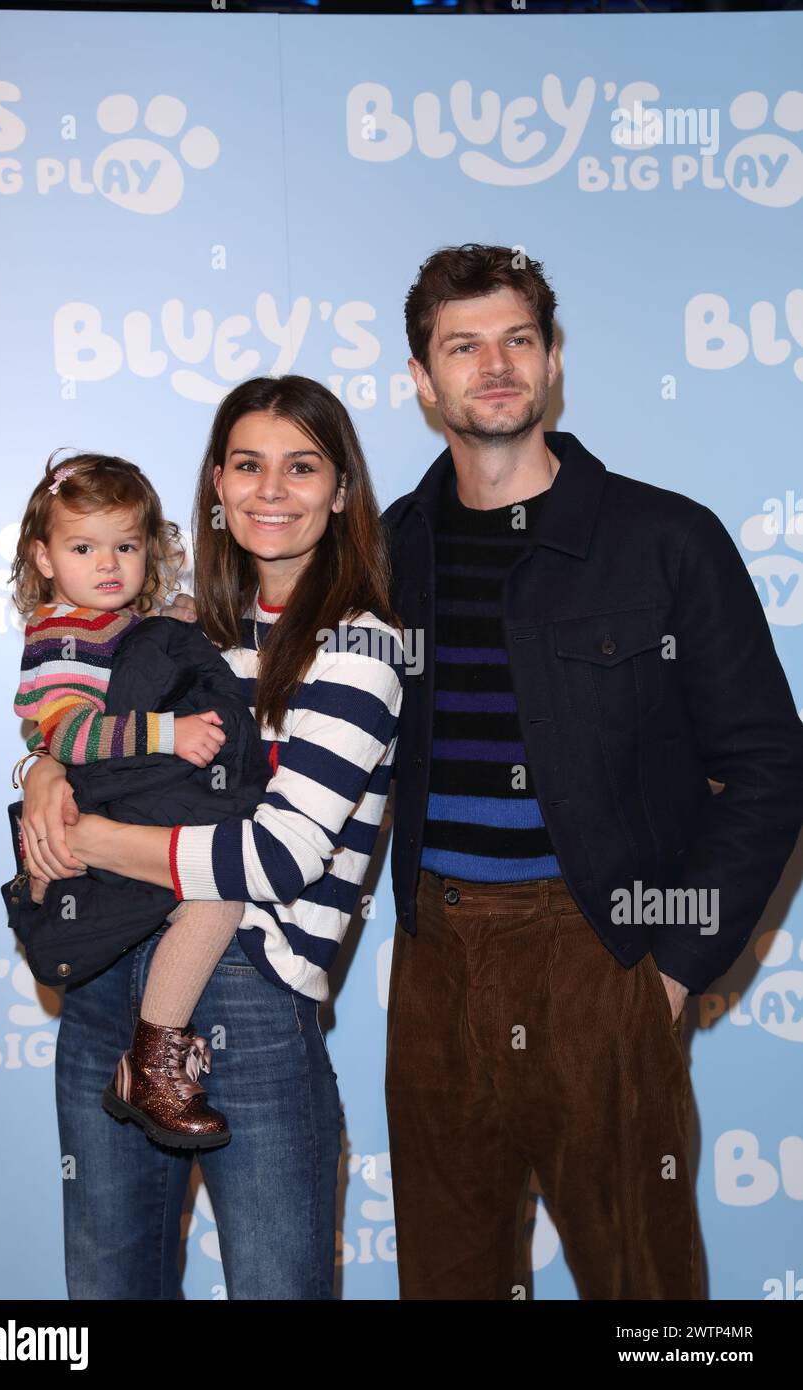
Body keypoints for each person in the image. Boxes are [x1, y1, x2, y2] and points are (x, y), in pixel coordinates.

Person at [380, 243, 803, 1300]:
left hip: (599, 950)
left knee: (644, 1291)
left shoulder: (664, 539)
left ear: (552, 358)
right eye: (461, 346)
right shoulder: (388, 554)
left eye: (515, 339)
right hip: (435, 958)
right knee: (448, 1280)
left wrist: (671, 962)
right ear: (421, 381)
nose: (493, 365)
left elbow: (766, 763)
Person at [19, 376, 404, 1299]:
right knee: (107, 1288)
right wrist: (40, 772)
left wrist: (94, 836)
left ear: (342, 491)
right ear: (218, 489)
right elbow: (81, 733)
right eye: (248, 466)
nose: (272, 490)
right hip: (111, 974)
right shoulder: (179, 628)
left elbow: (272, 859)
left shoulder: (359, 647)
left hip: (253, 994)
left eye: (302, 467)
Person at [11, 450, 255, 1147]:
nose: (109, 564)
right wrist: (168, 734)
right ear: (45, 556)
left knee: (214, 896)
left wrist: (175, 624)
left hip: (123, 828)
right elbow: (71, 735)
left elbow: (138, 668)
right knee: (216, 897)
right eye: (84, 547)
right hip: (99, 840)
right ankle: (153, 1057)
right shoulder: (63, 631)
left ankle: (152, 1059)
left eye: (126, 546)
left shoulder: (112, 623)